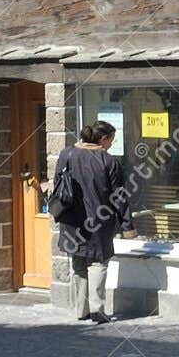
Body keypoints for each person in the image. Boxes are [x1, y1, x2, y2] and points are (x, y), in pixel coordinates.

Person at [50, 121, 134, 324]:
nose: (111, 145)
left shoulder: (67, 154)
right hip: (99, 220)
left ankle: (81, 309)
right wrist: (127, 225)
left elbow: (58, 184)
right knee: (98, 262)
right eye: (111, 140)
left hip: (71, 220)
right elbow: (119, 196)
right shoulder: (108, 161)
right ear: (102, 139)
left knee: (79, 262)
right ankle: (97, 310)